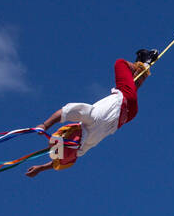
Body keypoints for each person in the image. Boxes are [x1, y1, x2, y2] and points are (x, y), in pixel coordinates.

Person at [24, 49, 159, 177]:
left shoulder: (82, 147)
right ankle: (142, 63)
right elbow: (66, 111)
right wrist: (45, 125)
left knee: (132, 85)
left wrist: (41, 168)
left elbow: (60, 160)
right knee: (121, 63)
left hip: (127, 116)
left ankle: (145, 63)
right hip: (123, 100)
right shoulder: (88, 120)